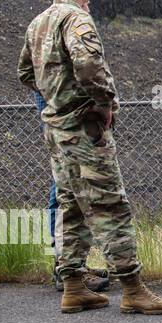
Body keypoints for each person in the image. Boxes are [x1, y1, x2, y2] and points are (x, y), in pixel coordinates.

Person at [18, 0, 162, 315]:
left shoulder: (39, 22)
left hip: (56, 132)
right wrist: (102, 103)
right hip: (85, 132)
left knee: (71, 206)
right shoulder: (77, 20)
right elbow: (88, 65)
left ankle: (73, 287)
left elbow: (25, 73)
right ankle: (134, 290)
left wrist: (55, 97)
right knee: (110, 205)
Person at [38, 88, 109, 295]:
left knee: (67, 184)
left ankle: (72, 265)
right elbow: (27, 71)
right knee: (66, 186)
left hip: (63, 98)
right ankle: (67, 269)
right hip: (62, 102)